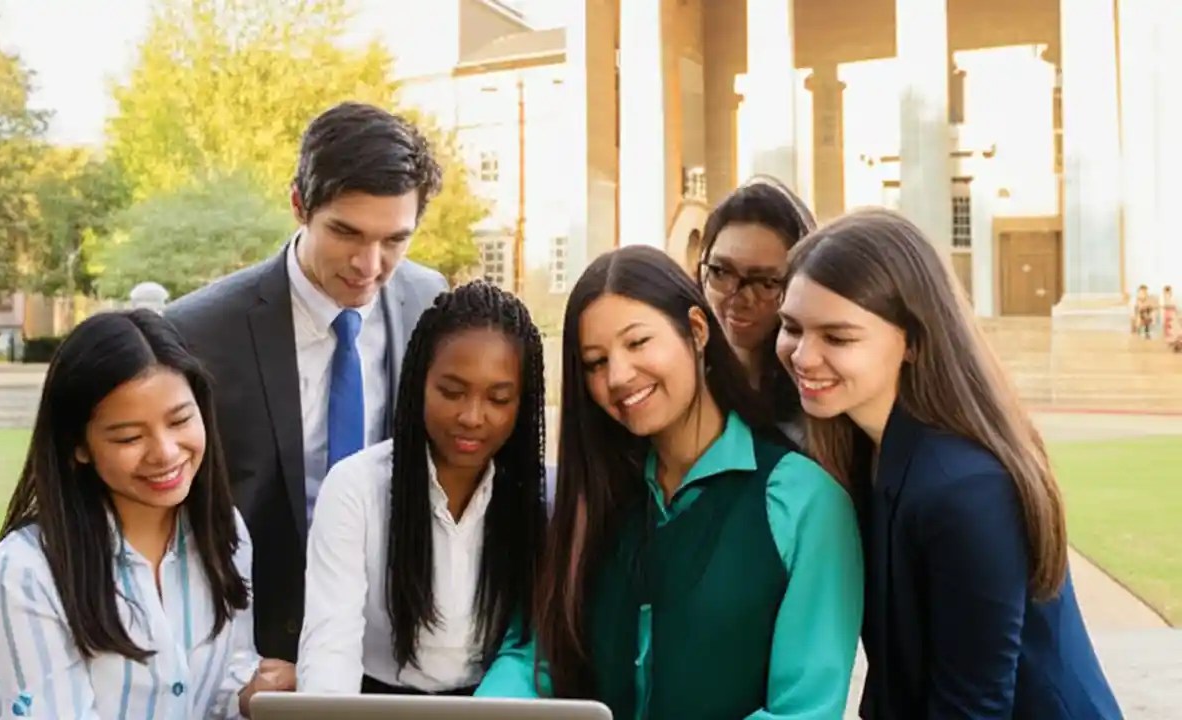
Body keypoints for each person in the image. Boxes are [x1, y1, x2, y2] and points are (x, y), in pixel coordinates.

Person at [475, 245, 864, 720]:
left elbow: (805, 710)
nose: (617, 376)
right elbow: (533, 656)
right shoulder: (592, 499)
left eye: (637, 343)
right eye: (596, 362)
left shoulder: (805, 503)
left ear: (697, 330)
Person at [775, 208, 1122, 719]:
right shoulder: (863, 453)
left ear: (913, 340)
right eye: (792, 327)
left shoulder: (966, 488)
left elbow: (973, 708)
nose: (803, 355)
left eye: (837, 337)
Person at [165, 102, 448, 661]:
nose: (369, 265)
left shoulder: (428, 301)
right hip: (255, 653)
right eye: (346, 232)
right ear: (299, 204)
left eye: (395, 240)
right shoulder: (196, 332)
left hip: (397, 653)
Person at [0, 310, 294, 719]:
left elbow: (223, 678)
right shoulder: (28, 571)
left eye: (180, 420)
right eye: (129, 437)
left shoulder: (223, 531)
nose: (165, 452)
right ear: (79, 446)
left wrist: (254, 693)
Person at [297, 281, 548, 695]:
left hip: (493, 705)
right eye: (451, 392)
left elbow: (531, 647)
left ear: (523, 404)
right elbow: (331, 645)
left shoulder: (537, 500)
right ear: (419, 383)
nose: (471, 416)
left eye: (499, 399)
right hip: (373, 702)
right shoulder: (355, 488)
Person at [695, 175, 815, 446]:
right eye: (721, 272)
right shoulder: (682, 380)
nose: (740, 296)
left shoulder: (819, 386)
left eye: (766, 282)